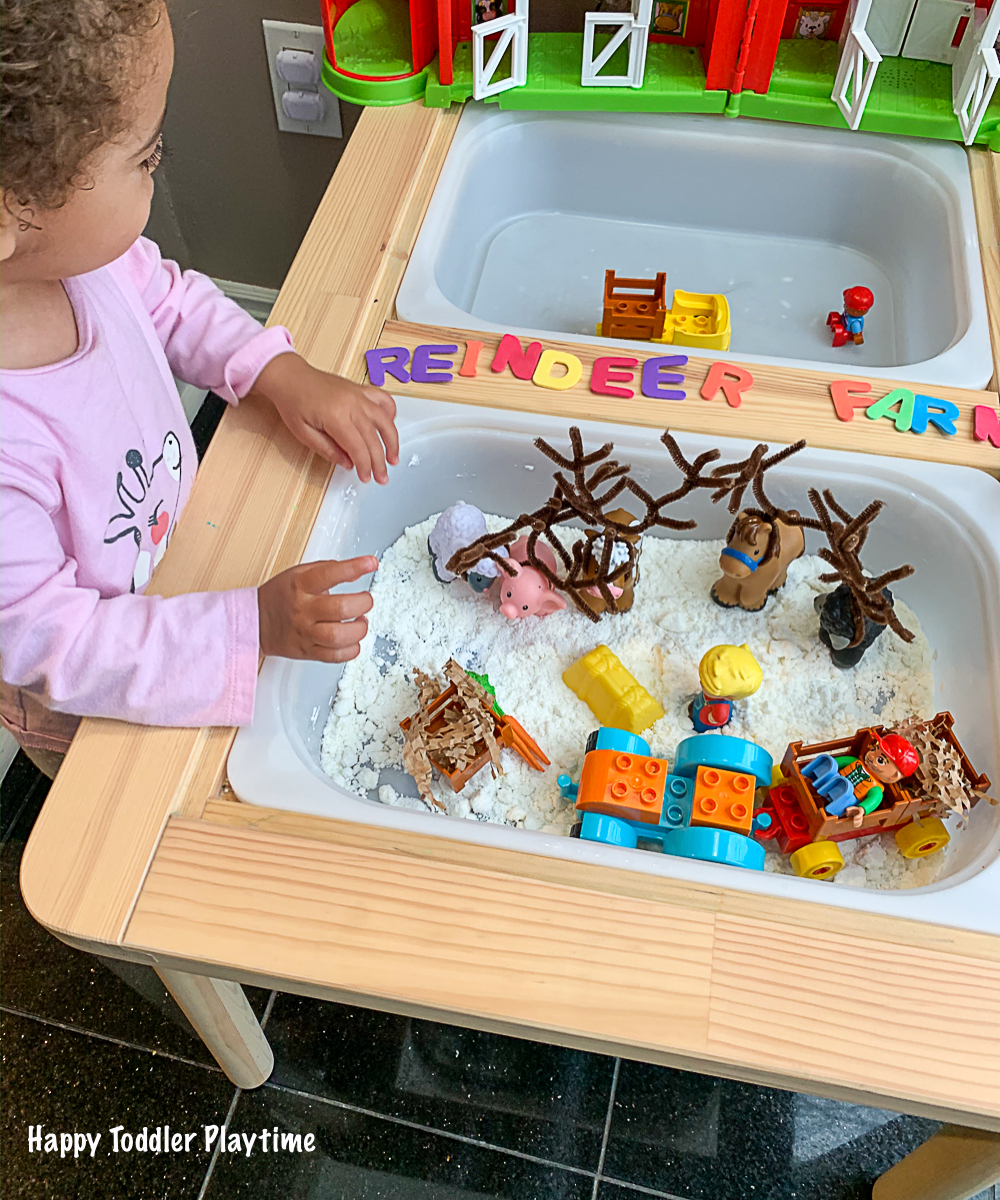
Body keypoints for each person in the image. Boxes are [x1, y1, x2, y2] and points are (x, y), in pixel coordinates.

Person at [0, 0, 399, 777]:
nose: (160, 171)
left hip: (185, 562)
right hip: (105, 708)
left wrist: (278, 373)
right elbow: (54, 642)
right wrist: (248, 627)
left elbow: (168, 299)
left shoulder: (78, 258)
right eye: (146, 158)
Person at [804, 733, 919, 828]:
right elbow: (836, 762)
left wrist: (861, 810)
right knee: (830, 767)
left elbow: (872, 801)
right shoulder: (855, 761)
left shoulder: (876, 789)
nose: (872, 756)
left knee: (847, 793)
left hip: (846, 799)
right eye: (874, 749)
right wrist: (830, 765)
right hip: (829, 783)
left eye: (880, 760)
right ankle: (810, 780)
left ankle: (826, 811)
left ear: (894, 776)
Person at [689, 643, 762, 732]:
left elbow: (717, 718)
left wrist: (709, 716)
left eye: (706, 686)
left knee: (699, 725)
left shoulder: (721, 709)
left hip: (704, 722)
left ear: (729, 696)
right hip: (700, 705)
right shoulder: (719, 692)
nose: (701, 683)